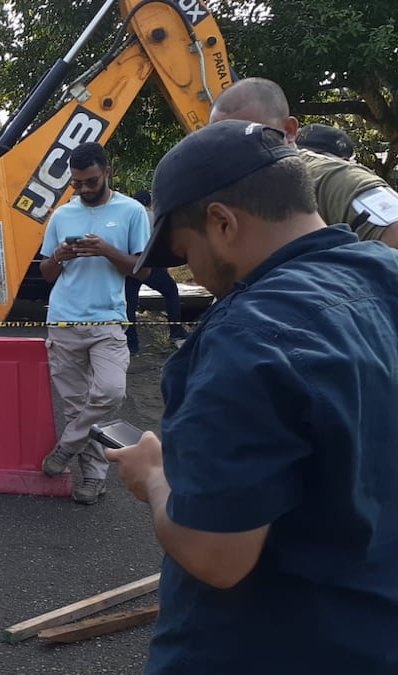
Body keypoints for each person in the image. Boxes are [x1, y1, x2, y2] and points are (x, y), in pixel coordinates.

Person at [108, 119, 398, 673]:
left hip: (266, 645)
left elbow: (216, 554)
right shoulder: (386, 274)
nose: (195, 272)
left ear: (222, 223)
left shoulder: (249, 337)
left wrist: (154, 477)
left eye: (186, 251)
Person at [37, 142, 149, 505]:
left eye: (91, 181)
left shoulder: (132, 211)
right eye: (77, 183)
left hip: (108, 320)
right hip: (63, 321)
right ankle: (93, 478)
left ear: (108, 172)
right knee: (75, 406)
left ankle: (67, 446)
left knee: (111, 392)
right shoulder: (62, 215)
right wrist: (59, 256)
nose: (83, 189)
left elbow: (143, 270)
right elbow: (47, 274)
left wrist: (106, 250)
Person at [210, 77, 398, 248]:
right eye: (219, 142)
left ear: (289, 130)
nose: (233, 152)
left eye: (248, 138)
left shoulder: (332, 179)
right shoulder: (225, 190)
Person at [124, 190, 187, 353]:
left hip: (132, 265)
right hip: (152, 266)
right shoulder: (154, 217)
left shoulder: (127, 217)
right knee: (171, 291)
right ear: (149, 202)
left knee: (130, 302)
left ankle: (131, 343)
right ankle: (176, 332)